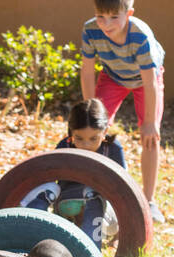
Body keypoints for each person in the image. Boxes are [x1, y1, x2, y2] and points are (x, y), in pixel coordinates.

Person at [80, 0, 166, 222]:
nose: (106, 24)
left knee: (151, 135)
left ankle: (148, 202)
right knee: (92, 129)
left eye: (113, 17)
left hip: (145, 81)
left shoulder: (140, 36)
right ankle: (91, 188)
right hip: (113, 76)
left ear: (129, 13)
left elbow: (150, 82)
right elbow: (87, 71)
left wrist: (149, 122)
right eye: (100, 16)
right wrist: (90, 111)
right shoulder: (91, 30)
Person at [21, 97, 124, 246]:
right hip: (66, 206)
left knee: (93, 195)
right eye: (79, 138)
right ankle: (27, 230)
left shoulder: (112, 148)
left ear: (105, 131)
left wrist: (122, 235)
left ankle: (91, 250)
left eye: (93, 138)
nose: (86, 145)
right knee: (49, 188)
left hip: (102, 211)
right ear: (71, 132)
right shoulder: (65, 145)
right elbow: (48, 175)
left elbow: (123, 189)